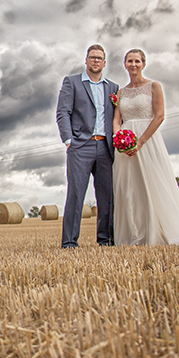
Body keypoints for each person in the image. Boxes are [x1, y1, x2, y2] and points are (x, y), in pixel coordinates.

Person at [112, 49, 179, 246]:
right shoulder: (121, 92)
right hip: (125, 144)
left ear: (143, 64)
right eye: (130, 61)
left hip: (148, 140)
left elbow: (159, 116)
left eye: (137, 61)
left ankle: (162, 232)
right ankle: (136, 234)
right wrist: (119, 138)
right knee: (130, 188)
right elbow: (117, 120)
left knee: (154, 183)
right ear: (125, 64)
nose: (133, 64)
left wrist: (140, 141)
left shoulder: (154, 86)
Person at [55, 44, 118, 247]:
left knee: (106, 196)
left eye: (99, 58)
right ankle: (70, 242)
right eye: (92, 57)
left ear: (104, 62)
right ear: (86, 60)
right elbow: (63, 112)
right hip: (80, 146)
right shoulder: (72, 82)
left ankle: (105, 240)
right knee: (76, 194)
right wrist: (68, 140)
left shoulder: (113, 88)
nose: (96, 61)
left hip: (106, 148)